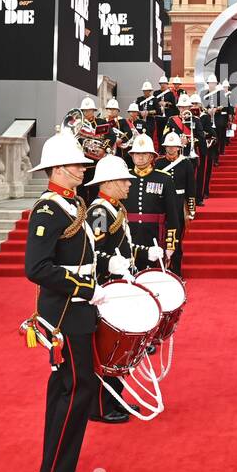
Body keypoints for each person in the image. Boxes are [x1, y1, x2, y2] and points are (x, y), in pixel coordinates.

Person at [24, 131, 100, 472]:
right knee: (76, 387)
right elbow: (36, 268)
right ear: (56, 169)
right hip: (66, 312)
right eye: (75, 165)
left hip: (78, 310)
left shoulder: (73, 205)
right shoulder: (48, 209)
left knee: (72, 390)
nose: (82, 169)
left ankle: (61, 469)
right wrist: (83, 287)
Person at [85, 155, 164, 424]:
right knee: (107, 351)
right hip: (105, 289)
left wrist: (146, 254)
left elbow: (125, 251)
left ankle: (115, 398)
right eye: (123, 180)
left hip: (119, 284)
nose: (129, 184)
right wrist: (111, 263)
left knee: (119, 351)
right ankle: (99, 406)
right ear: (108, 182)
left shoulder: (114, 208)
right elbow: (93, 253)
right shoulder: (98, 211)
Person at [125, 135, 181, 269]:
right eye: (136, 153)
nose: (140, 157)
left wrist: (170, 244)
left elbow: (173, 215)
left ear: (152, 156)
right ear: (132, 156)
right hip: (128, 234)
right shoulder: (124, 177)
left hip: (155, 235)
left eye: (144, 153)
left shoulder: (164, 179)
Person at [156, 132, 194, 274]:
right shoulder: (159, 163)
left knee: (176, 239)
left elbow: (191, 187)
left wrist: (191, 210)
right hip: (161, 204)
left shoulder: (186, 163)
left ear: (179, 147)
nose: (171, 149)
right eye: (168, 147)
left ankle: (176, 270)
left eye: (174, 147)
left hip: (179, 204)